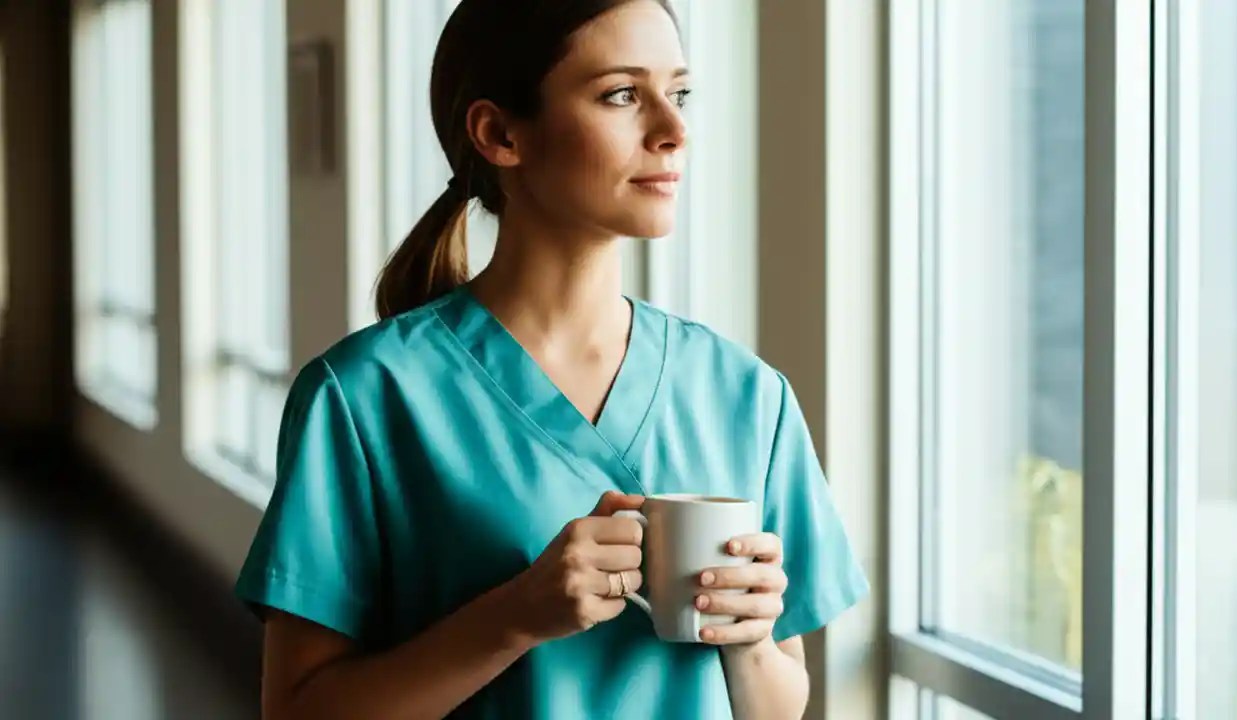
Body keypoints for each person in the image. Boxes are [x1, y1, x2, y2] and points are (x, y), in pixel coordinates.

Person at [233, 0, 868, 718]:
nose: (674, 130)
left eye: (680, 93)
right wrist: (514, 618)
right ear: (500, 133)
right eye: (623, 95)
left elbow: (780, 706)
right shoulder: (362, 398)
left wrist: (748, 641)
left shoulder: (749, 397)